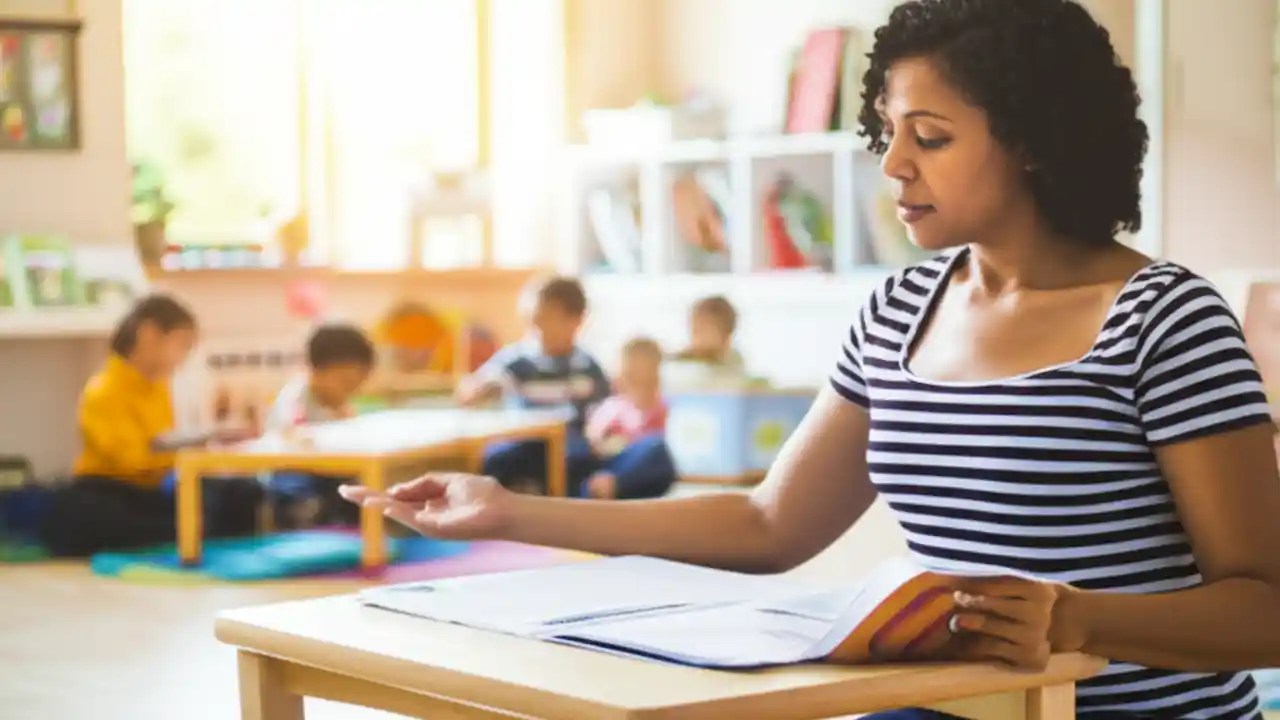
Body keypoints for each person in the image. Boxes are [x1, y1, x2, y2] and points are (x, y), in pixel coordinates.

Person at [342, 1, 1280, 717]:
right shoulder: (901, 310)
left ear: (1034, 142)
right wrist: (510, 511)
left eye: (933, 138)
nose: (893, 167)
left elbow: (1265, 610)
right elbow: (768, 523)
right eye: (890, 134)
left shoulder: (1165, 320)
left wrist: (1079, 618)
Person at [41, 294, 261, 556]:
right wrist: (185, 455)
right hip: (109, 490)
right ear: (149, 335)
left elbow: (163, 445)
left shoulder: (160, 387)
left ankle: (198, 534)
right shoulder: (103, 391)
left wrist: (205, 452)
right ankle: (189, 533)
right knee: (90, 515)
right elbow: (132, 461)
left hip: (150, 490)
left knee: (239, 493)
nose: (182, 359)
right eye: (181, 345)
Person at [455, 276, 610, 494]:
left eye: (546, 319)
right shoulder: (517, 360)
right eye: (533, 320)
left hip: (571, 448)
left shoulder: (588, 366)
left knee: (583, 460)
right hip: (525, 443)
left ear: (576, 321)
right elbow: (472, 390)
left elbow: (604, 415)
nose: (537, 328)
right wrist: (478, 389)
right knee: (496, 459)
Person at [265, 322, 375, 527]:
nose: (349, 392)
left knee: (357, 486)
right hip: (294, 472)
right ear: (316, 371)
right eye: (344, 382)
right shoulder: (294, 398)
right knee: (294, 487)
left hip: (329, 473)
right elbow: (292, 437)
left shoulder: (339, 405)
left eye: (356, 386)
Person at [582, 337, 678, 500]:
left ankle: (613, 486)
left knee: (657, 450)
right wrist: (607, 444)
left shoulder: (663, 407)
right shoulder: (613, 406)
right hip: (612, 462)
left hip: (638, 473)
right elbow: (593, 437)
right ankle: (601, 489)